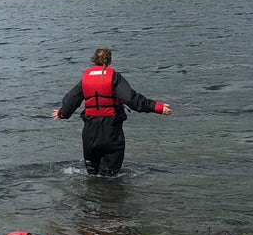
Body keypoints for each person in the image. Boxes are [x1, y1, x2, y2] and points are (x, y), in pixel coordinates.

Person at [53, 48, 171, 176]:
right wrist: (157, 107)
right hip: (111, 131)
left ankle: (92, 195)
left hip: (90, 132)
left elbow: (72, 98)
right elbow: (131, 99)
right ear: (109, 60)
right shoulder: (114, 77)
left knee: (93, 173)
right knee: (110, 174)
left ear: (94, 60)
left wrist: (62, 113)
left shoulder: (85, 79)